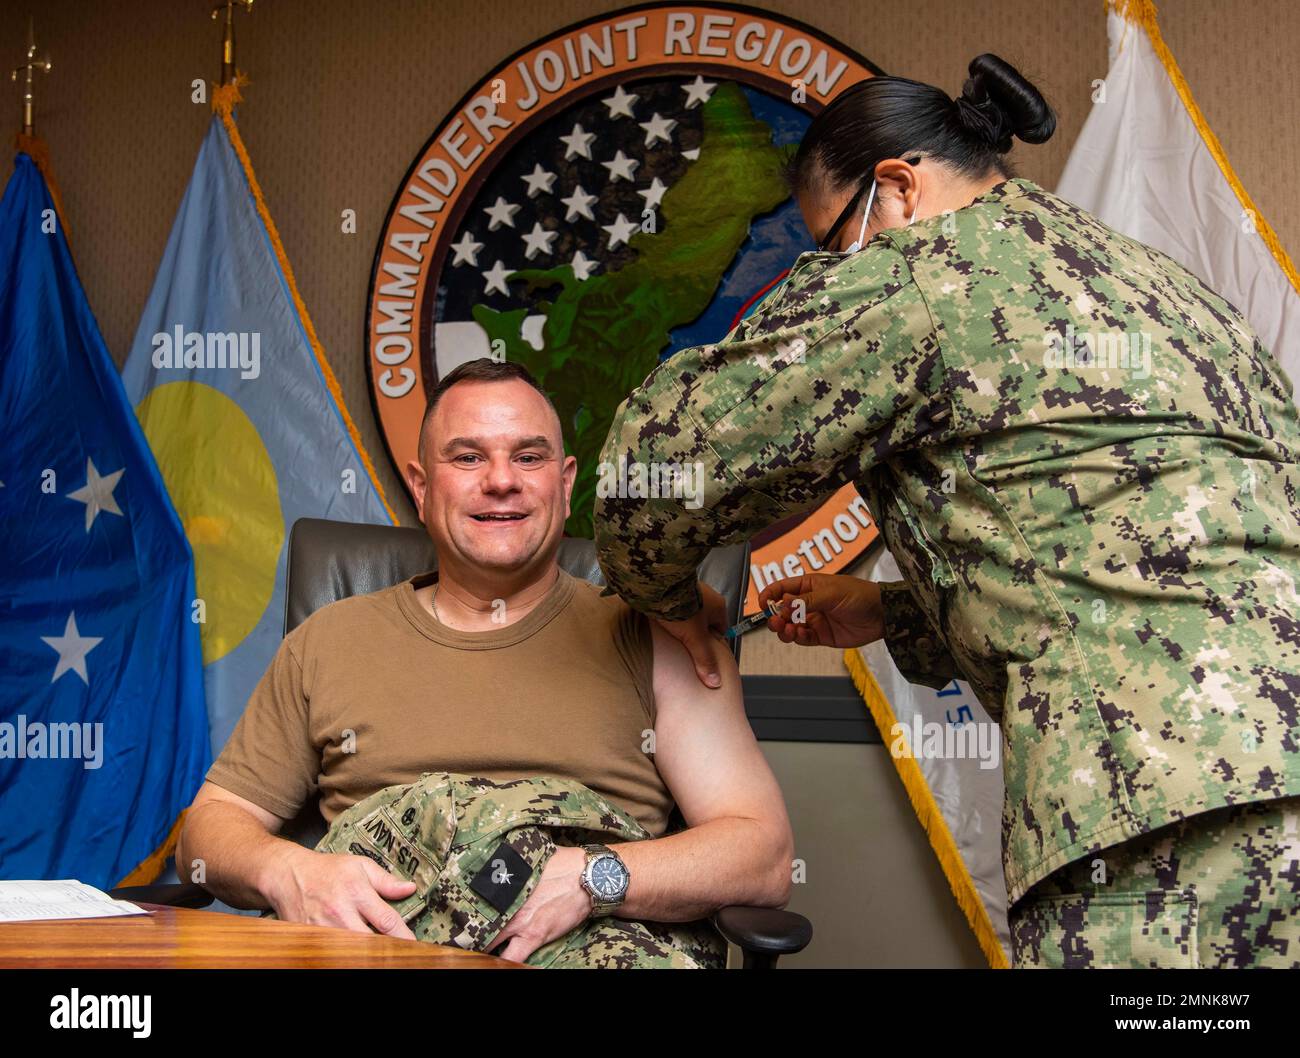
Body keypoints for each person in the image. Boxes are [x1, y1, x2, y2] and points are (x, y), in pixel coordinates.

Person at [594, 54, 1300, 967]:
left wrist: (665, 598)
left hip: (1165, 812)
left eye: (830, 240)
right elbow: (1131, 540)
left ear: (894, 187)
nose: (830, 267)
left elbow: (653, 471)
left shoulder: (920, 273)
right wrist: (893, 613)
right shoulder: (1172, 292)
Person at [175, 358, 792, 968]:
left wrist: (590, 877)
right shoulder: (327, 642)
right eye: (468, 457)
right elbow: (208, 830)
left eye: (528, 457)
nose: (501, 480)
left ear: (565, 480)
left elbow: (761, 856)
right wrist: (291, 871)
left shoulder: (657, 635)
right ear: (421, 487)